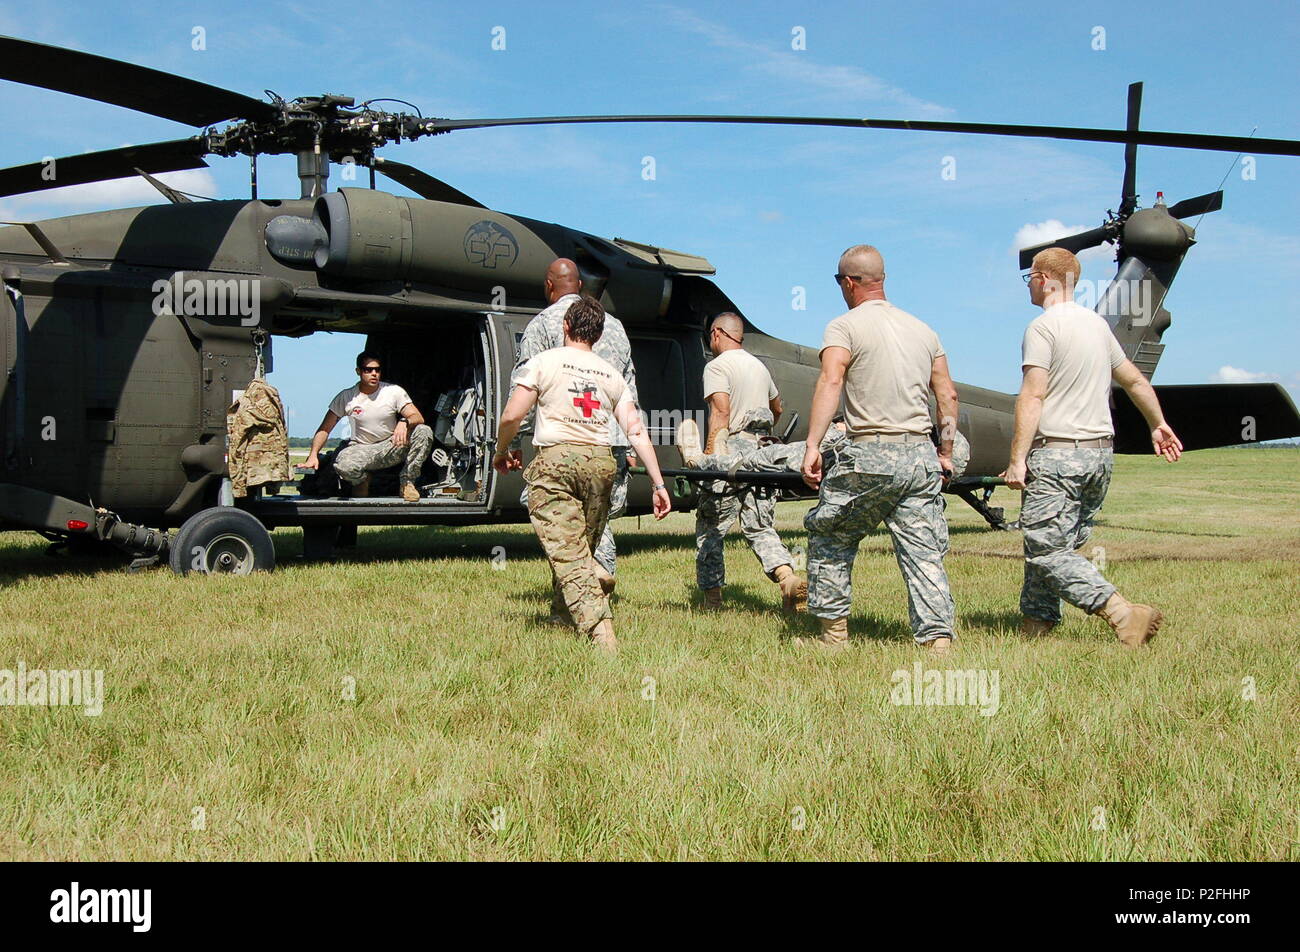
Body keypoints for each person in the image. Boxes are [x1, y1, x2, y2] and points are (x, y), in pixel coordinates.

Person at [1003, 248, 1182, 646]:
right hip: (1099, 456)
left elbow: (1033, 396)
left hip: (1059, 454)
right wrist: (1159, 424)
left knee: (1046, 549)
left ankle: (1122, 613)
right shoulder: (1097, 326)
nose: (1028, 284)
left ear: (1046, 278)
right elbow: (1134, 381)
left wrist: (1017, 460)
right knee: (1054, 542)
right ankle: (1037, 626)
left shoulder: (1043, 327)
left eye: (1030, 277)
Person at [800, 245, 960, 652]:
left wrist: (813, 445)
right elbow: (948, 396)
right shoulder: (924, 331)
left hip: (869, 453)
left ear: (849, 283)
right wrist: (944, 451)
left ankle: (834, 638)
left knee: (831, 534)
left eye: (840, 283)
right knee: (923, 551)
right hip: (920, 456)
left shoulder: (843, 327)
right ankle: (937, 642)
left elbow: (831, 381)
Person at [495, 295, 671, 653]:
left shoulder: (544, 362)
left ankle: (601, 632)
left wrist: (502, 449)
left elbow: (512, 416)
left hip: (557, 462)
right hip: (601, 465)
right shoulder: (610, 374)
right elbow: (635, 430)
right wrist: (658, 483)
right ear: (599, 333)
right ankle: (562, 615)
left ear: (565, 326)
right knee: (581, 544)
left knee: (569, 552)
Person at [511, 258, 639, 599]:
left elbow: (525, 387)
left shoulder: (541, 324)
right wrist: (631, 443)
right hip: (609, 441)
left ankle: (589, 576)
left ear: (549, 286)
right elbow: (629, 387)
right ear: (580, 286)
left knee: (552, 513)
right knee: (600, 519)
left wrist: (511, 442)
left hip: (565, 441)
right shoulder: (614, 326)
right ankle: (591, 588)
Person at [683, 312, 806, 610]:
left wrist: (712, 455)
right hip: (763, 453)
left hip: (733, 451)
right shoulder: (759, 366)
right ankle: (787, 578)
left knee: (712, 525)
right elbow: (777, 408)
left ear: (715, 334)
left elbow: (721, 412)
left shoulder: (716, 366)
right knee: (760, 526)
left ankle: (712, 601)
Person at [303, 351, 432, 501]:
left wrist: (404, 422)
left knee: (424, 431)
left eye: (377, 370)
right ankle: (362, 480)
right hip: (361, 449)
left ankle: (407, 483)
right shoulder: (346, 397)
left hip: (391, 446)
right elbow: (325, 429)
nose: (374, 374)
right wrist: (313, 455)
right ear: (358, 371)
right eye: (368, 370)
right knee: (342, 465)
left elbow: (417, 417)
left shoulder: (393, 392)